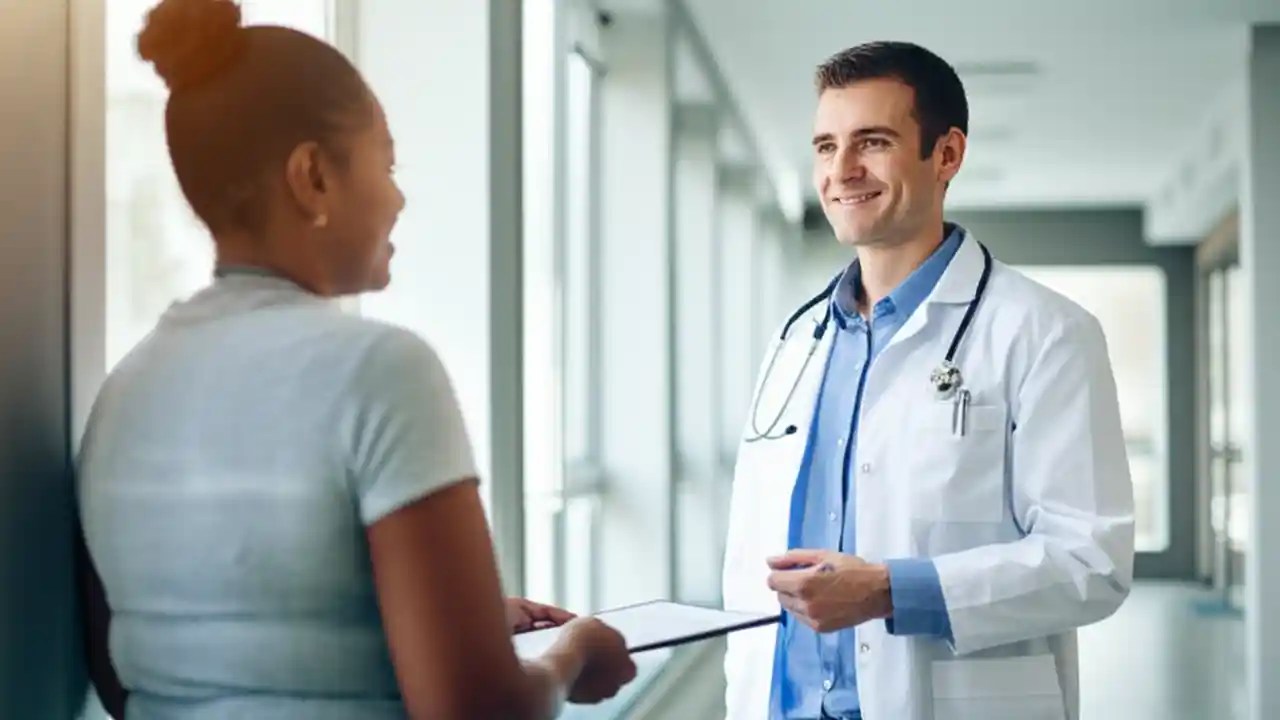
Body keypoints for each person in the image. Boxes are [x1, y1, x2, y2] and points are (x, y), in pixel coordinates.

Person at [75, 1, 636, 718]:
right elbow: (480, 710)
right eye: (387, 161)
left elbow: (136, 676)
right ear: (312, 177)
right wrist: (576, 650)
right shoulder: (383, 370)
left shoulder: (125, 391)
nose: (399, 197)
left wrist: (420, 623)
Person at [720, 41, 1134, 720]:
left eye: (872, 142)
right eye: (825, 146)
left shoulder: (1046, 332)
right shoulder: (796, 343)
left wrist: (891, 590)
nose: (842, 170)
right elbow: (748, 566)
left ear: (946, 155)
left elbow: (1093, 563)